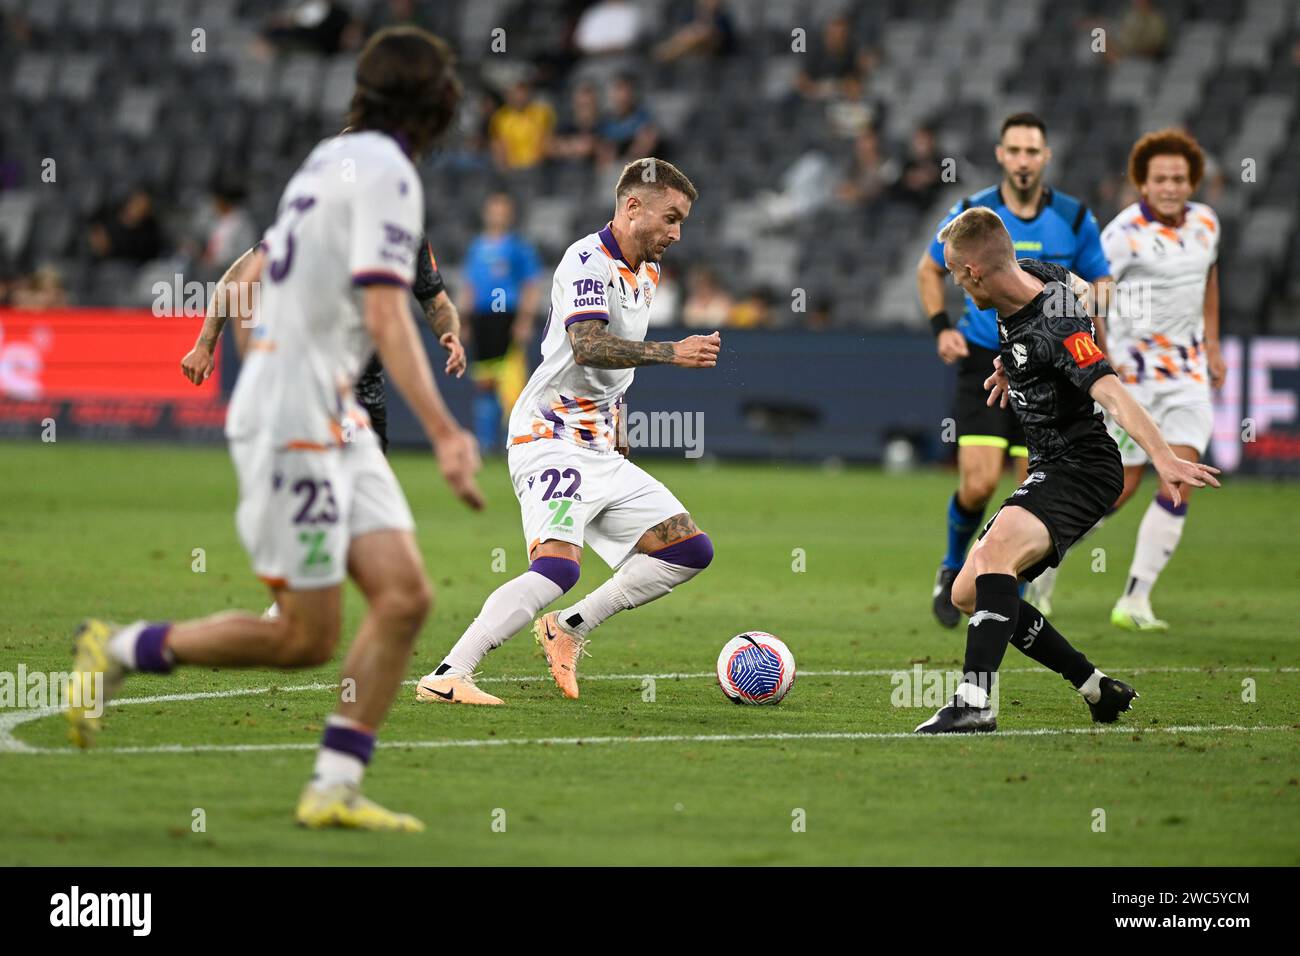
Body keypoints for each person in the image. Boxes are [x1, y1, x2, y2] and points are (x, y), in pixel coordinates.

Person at [67, 27, 484, 831]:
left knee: (401, 598)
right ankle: (120, 648)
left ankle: (334, 787)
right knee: (304, 636)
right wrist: (446, 430)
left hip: (328, 406)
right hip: (296, 408)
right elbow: (381, 310)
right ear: (432, 102)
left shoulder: (331, 161)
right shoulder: (389, 173)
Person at [415, 158, 719, 705]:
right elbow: (588, 343)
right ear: (632, 207)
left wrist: (620, 416)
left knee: (688, 549)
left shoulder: (647, 271)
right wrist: (672, 353)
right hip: (548, 435)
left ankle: (569, 627)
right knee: (556, 566)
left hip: (599, 443)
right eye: (670, 218)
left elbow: (612, 366)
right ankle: (448, 674)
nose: (676, 233)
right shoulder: (586, 260)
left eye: (682, 222)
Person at [915, 206, 1219, 733]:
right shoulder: (1042, 276)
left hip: (1082, 467)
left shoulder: (1054, 327)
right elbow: (1084, 290)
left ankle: (974, 700)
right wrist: (1014, 365)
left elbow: (1110, 390)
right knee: (971, 593)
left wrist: (1164, 455)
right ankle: (1094, 687)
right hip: (1053, 464)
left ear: (976, 273)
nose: (958, 291)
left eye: (955, 276)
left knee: (993, 557)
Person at [917, 113, 1113, 628]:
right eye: (1014, 150)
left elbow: (1101, 282)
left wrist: (1091, 335)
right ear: (1001, 155)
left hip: (1049, 369)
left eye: (1033, 151)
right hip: (986, 361)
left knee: (1031, 487)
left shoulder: (1073, 218)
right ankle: (952, 566)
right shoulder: (972, 213)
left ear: (1045, 157)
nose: (1023, 160)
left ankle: (1008, 596)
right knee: (979, 484)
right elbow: (928, 267)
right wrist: (942, 326)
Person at [1033, 129, 1222, 630]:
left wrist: (1214, 344)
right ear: (1142, 181)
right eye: (1160, 178)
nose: (1170, 187)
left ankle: (1135, 599)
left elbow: (1209, 280)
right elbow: (1091, 293)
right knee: (1116, 488)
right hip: (1132, 376)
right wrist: (1100, 356)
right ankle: (1041, 568)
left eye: (1179, 178)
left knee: (1181, 475)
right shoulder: (1120, 233)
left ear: (1192, 180)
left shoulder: (1206, 224)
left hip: (1188, 375)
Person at [457, 193, 544, 452]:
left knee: (512, 382)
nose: (498, 215)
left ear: (510, 215)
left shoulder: (518, 247)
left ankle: (516, 440)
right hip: (482, 319)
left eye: (503, 210)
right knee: (484, 382)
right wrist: (464, 320)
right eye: (494, 209)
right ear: (487, 213)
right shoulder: (477, 248)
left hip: (507, 317)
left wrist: (524, 320)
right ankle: (486, 442)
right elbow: (469, 285)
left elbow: (531, 285)